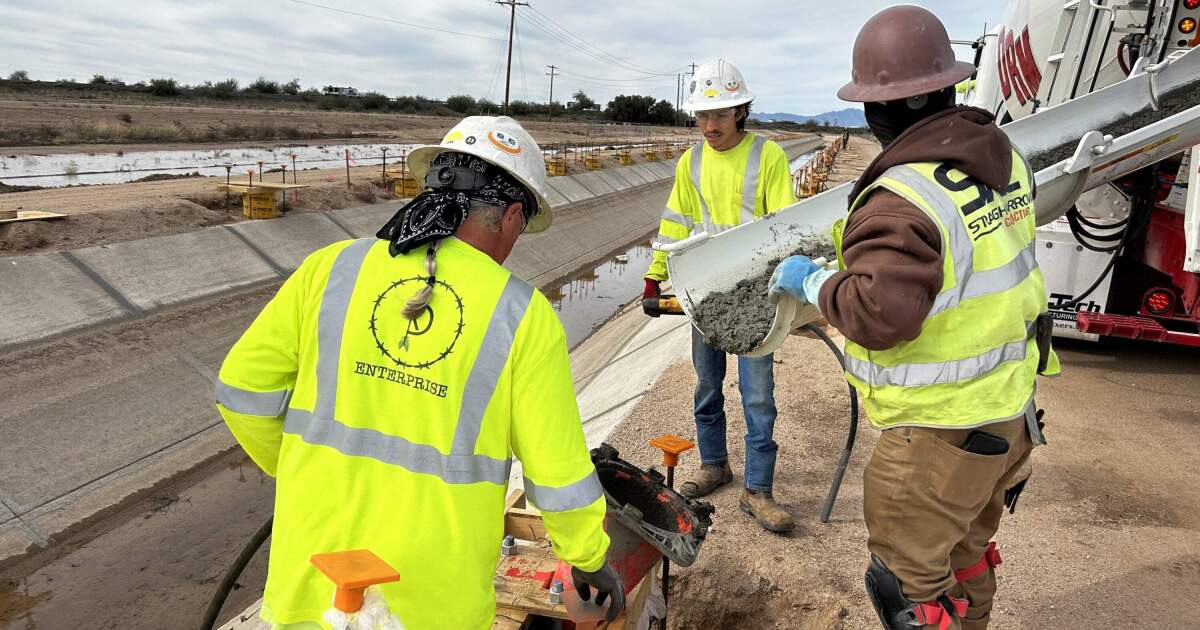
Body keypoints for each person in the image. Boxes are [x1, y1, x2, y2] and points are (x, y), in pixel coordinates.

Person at [216, 116, 624, 629]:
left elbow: (241, 391)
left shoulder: (331, 268)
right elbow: (558, 476)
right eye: (521, 226)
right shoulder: (519, 315)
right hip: (434, 603)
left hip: (311, 586)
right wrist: (588, 558)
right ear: (511, 213)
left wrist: (308, 471)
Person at [767, 6, 1060, 629]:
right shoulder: (1003, 163)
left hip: (937, 434)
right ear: (949, 87)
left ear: (879, 110)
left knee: (911, 593)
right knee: (968, 555)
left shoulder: (903, 198)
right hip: (1007, 412)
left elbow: (879, 315)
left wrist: (814, 279)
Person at [644, 58, 798, 533]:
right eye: (702, 115)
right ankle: (715, 465)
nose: (709, 125)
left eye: (720, 114)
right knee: (707, 387)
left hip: (756, 297)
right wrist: (653, 277)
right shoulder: (690, 162)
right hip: (705, 292)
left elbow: (784, 226)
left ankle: (759, 490)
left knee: (757, 396)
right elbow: (676, 224)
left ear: (741, 112)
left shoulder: (767, 156)